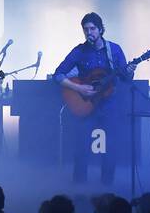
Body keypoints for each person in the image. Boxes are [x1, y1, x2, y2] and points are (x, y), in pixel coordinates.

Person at [54, 12, 129, 185]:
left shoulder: (114, 50)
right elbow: (58, 75)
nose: (89, 32)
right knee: (81, 148)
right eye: (85, 29)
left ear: (101, 29)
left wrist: (129, 71)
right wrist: (78, 87)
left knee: (109, 148)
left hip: (109, 106)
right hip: (86, 107)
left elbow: (125, 78)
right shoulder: (79, 51)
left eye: (93, 28)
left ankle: (106, 188)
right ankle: (80, 190)